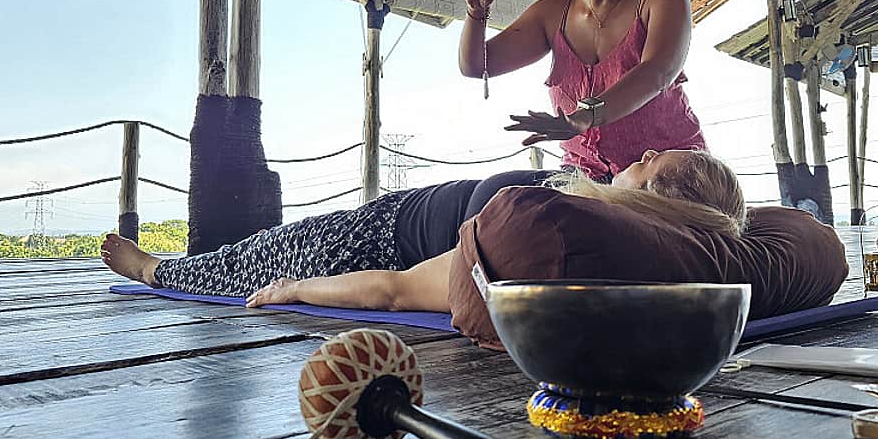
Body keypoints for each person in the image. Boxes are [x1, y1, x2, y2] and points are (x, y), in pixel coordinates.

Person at [101, 149, 745, 313]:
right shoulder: (596, 213)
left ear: (658, 204)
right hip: (396, 213)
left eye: (647, 165)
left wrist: (297, 289)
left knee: (249, 260)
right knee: (249, 251)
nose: (634, 159)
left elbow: (396, 291)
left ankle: (157, 272)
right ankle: (168, 265)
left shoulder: (570, 235)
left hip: (368, 243)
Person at [457, 0, 707, 182]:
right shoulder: (552, 13)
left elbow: (658, 72)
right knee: (497, 190)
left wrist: (585, 116)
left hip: (667, 172)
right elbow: (477, 65)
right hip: (585, 177)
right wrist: (477, 15)